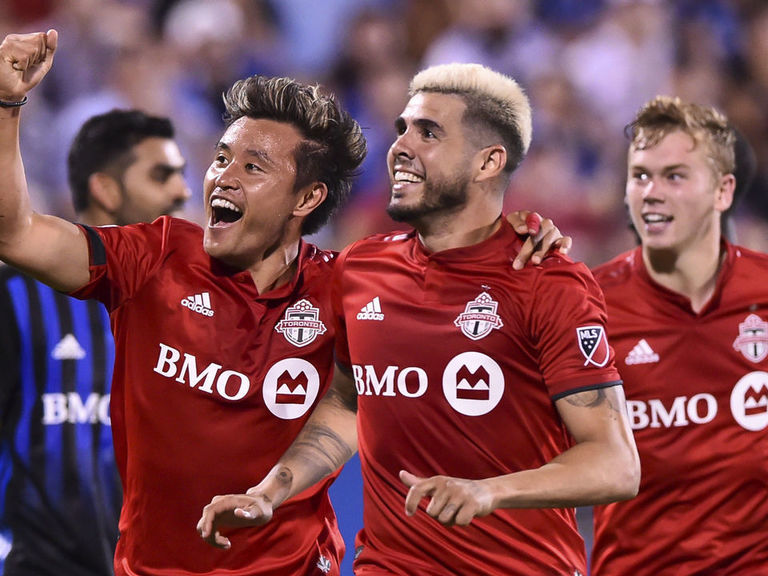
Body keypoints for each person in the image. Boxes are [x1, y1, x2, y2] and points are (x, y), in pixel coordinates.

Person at [0, 30, 569, 576]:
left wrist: (517, 235)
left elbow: (453, 270)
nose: (223, 177)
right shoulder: (153, 258)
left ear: (308, 197)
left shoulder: (350, 287)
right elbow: (16, 235)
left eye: (254, 166)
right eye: (222, 157)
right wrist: (7, 103)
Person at [198, 62, 640, 576]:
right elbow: (348, 402)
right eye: (402, 128)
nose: (401, 146)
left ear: (488, 162)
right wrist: (272, 490)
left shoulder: (546, 279)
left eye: (428, 132)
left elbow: (616, 463)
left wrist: (489, 492)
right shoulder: (362, 267)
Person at [0, 107, 189, 575]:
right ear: (106, 189)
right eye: (162, 175)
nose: (183, 192)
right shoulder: (18, 300)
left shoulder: (188, 312)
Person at [589, 97, 768, 574]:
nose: (650, 192)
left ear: (723, 191)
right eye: (640, 175)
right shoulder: (588, 306)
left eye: (674, 176)